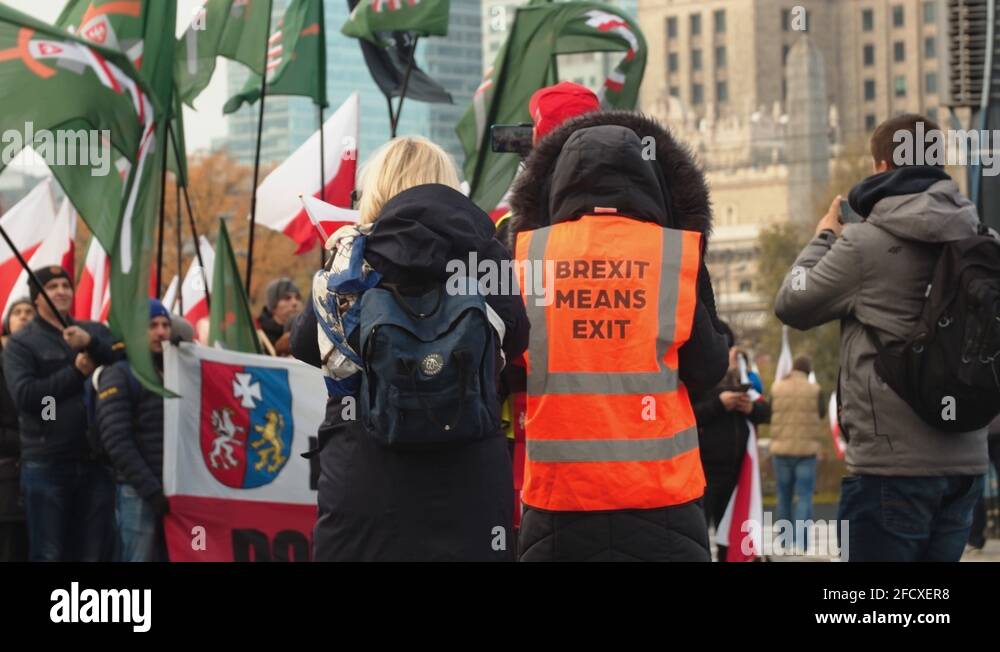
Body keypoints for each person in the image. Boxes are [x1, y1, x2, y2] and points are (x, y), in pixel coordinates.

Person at [507, 109, 730, 561]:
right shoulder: (672, 252)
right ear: (648, 180)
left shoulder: (530, 256)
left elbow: (507, 365)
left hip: (559, 503)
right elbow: (708, 369)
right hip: (662, 500)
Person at [291, 136, 529, 561]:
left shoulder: (350, 259)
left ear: (377, 188)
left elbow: (305, 344)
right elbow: (517, 341)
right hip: (468, 479)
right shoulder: (486, 257)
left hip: (363, 478)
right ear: (446, 186)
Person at [775, 113, 989, 562]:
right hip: (966, 465)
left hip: (890, 470)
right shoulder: (983, 239)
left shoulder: (865, 245)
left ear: (881, 166)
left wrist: (823, 238)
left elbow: (793, 303)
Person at [2, 266, 121, 561]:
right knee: (49, 552)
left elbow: (123, 358)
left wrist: (91, 344)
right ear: (37, 298)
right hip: (47, 462)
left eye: (65, 285)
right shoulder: (22, 344)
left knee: (93, 552)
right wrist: (75, 372)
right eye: (52, 287)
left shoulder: (92, 331)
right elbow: (30, 396)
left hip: (95, 462)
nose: (61, 291)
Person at [95, 300, 172, 562]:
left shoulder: (175, 375)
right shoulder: (119, 374)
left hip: (174, 492)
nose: (161, 332)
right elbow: (116, 439)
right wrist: (150, 490)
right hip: (137, 493)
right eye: (152, 326)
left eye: (165, 325)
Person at [692, 333, 772, 562]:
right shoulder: (701, 381)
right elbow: (691, 416)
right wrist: (720, 404)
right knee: (701, 537)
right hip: (705, 472)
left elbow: (765, 412)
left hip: (737, 473)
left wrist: (750, 410)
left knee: (730, 537)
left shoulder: (743, 379)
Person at [768, 355, 826, 553]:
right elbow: (822, 413)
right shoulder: (815, 390)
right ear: (808, 371)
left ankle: (784, 543)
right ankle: (802, 545)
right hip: (806, 452)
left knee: (783, 497)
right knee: (804, 497)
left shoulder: (777, 387)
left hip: (781, 450)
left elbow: (770, 412)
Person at [0, 297, 35, 561]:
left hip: (43, 474)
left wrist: (49, 426)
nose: (24, 316)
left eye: (29, 312)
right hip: (7, 475)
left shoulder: (45, 361)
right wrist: (30, 440)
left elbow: (50, 403)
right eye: (17, 313)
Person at [967, 414, 1000, 554]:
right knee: (976, 488)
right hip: (980, 433)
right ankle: (975, 539)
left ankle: (975, 540)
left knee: (976, 488)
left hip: (980, 431)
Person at [257, 278, 302, 356]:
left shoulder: (305, 333)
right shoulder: (258, 334)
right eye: (287, 298)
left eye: (297, 298)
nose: (295, 303)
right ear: (273, 305)